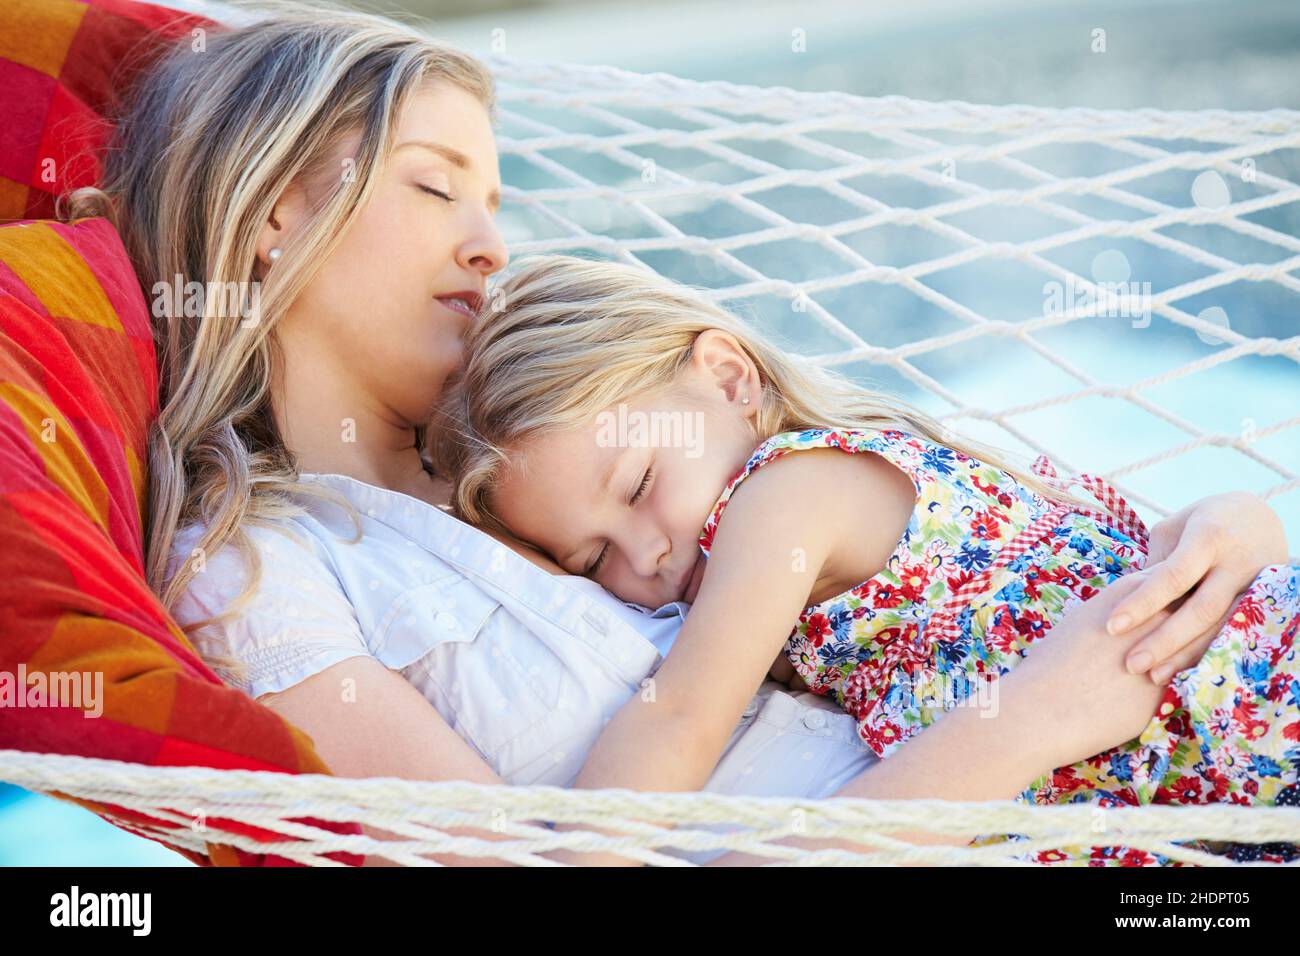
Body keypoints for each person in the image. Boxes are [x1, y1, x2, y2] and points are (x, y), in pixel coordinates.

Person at [76, 7, 1290, 865]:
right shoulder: (259, 561)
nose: (492, 246)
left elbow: (971, 550)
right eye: (437, 186)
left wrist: (1215, 529)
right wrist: (1033, 716)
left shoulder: (541, 447)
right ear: (276, 208)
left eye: (495, 201)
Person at [432, 254, 1300, 864]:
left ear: (731, 381)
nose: (648, 554)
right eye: (592, 559)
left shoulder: (787, 494)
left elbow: (679, 717)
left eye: (639, 485)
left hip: (1232, 710)